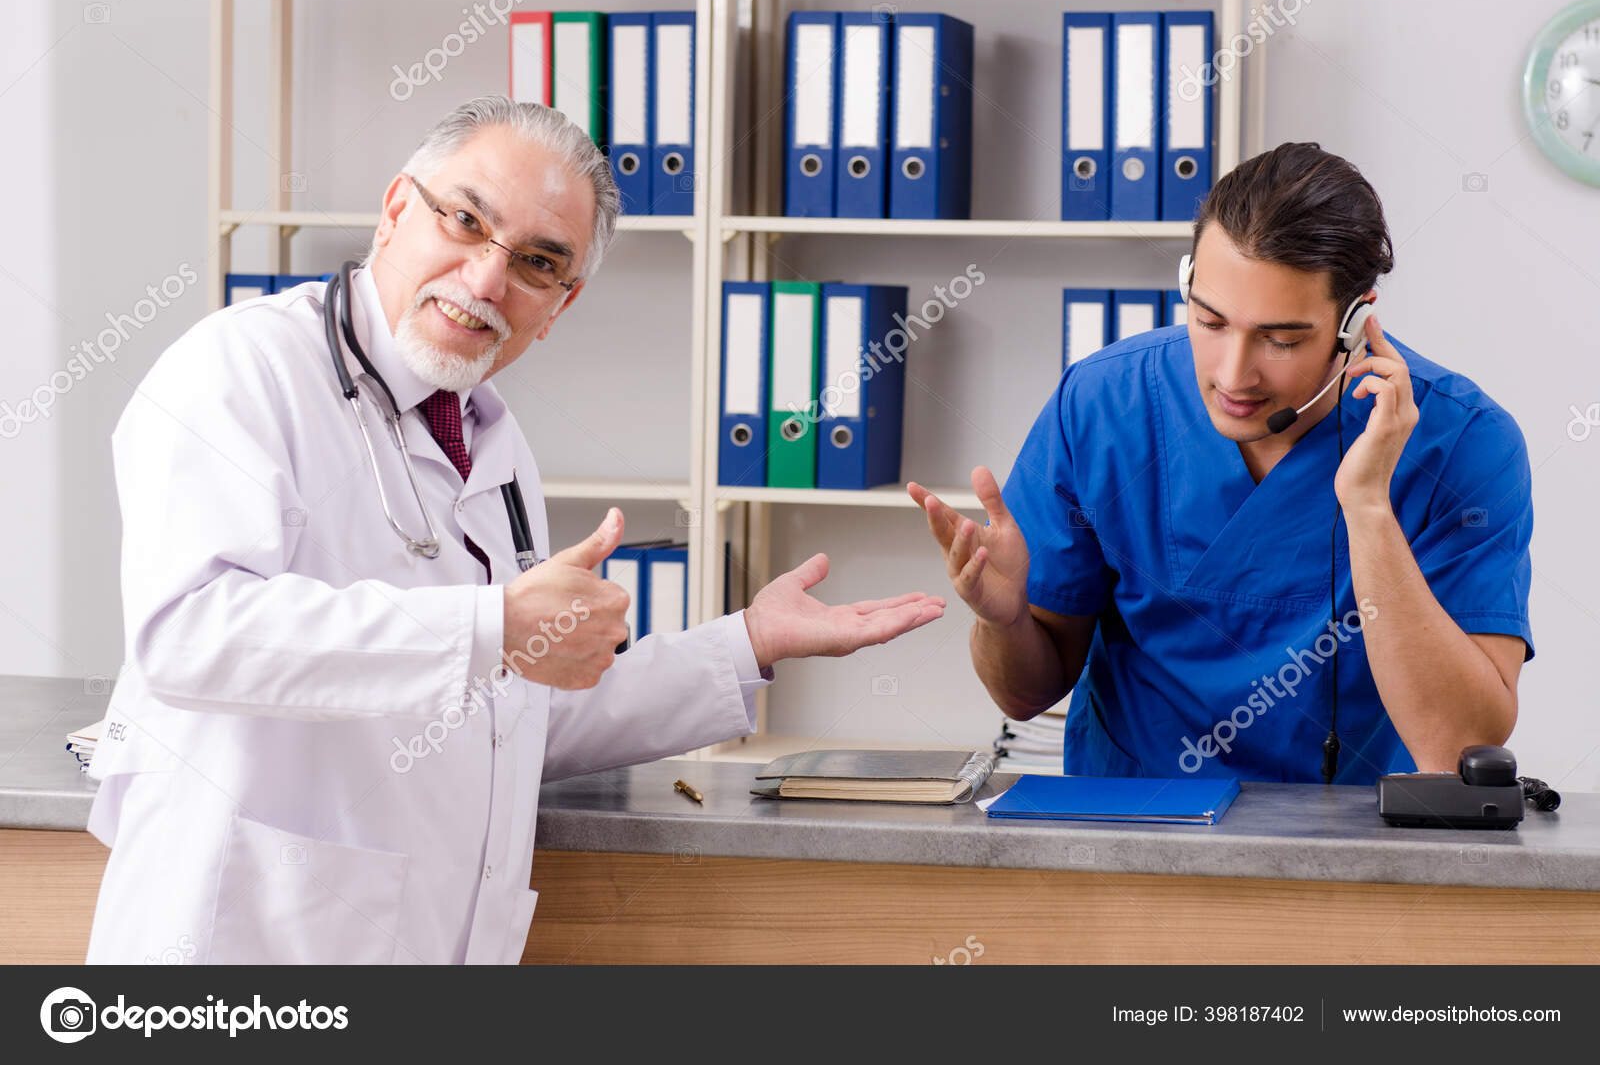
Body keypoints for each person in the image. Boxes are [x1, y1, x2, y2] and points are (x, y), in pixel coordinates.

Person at [85, 97, 945, 964]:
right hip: (244, 947)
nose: (487, 280)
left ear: (558, 304)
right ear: (395, 212)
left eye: (536, 263)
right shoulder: (239, 370)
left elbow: (513, 718)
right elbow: (187, 636)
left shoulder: (489, 445)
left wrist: (745, 643)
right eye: (465, 222)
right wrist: (493, 627)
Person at [910, 142, 1531, 785]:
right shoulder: (1105, 404)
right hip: (1131, 832)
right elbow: (1022, 696)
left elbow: (1460, 743)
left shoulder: (1465, 444)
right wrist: (1002, 621)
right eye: (1209, 320)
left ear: (1355, 322)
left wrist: (1369, 508)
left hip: (1360, 848)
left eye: (1281, 340)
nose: (1233, 375)